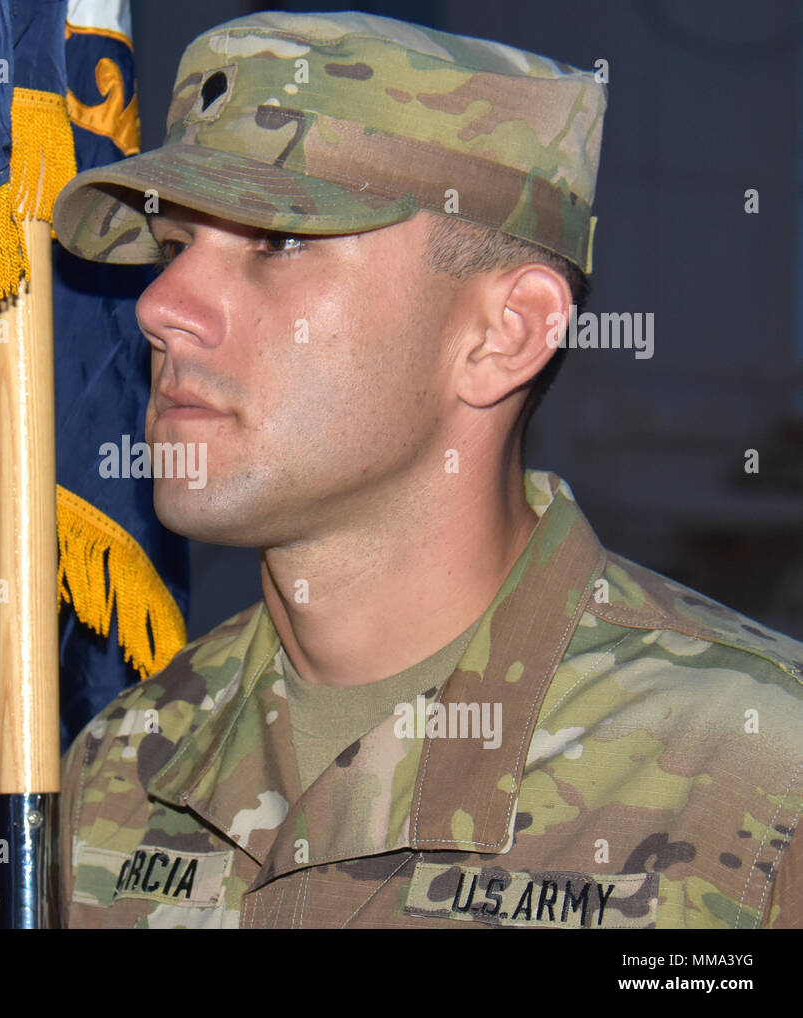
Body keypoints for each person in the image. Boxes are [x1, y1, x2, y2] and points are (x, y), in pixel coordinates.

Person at [49, 10, 803, 928]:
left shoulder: (755, 778)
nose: (162, 306)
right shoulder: (123, 774)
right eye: (173, 251)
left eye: (276, 242)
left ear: (504, 333)